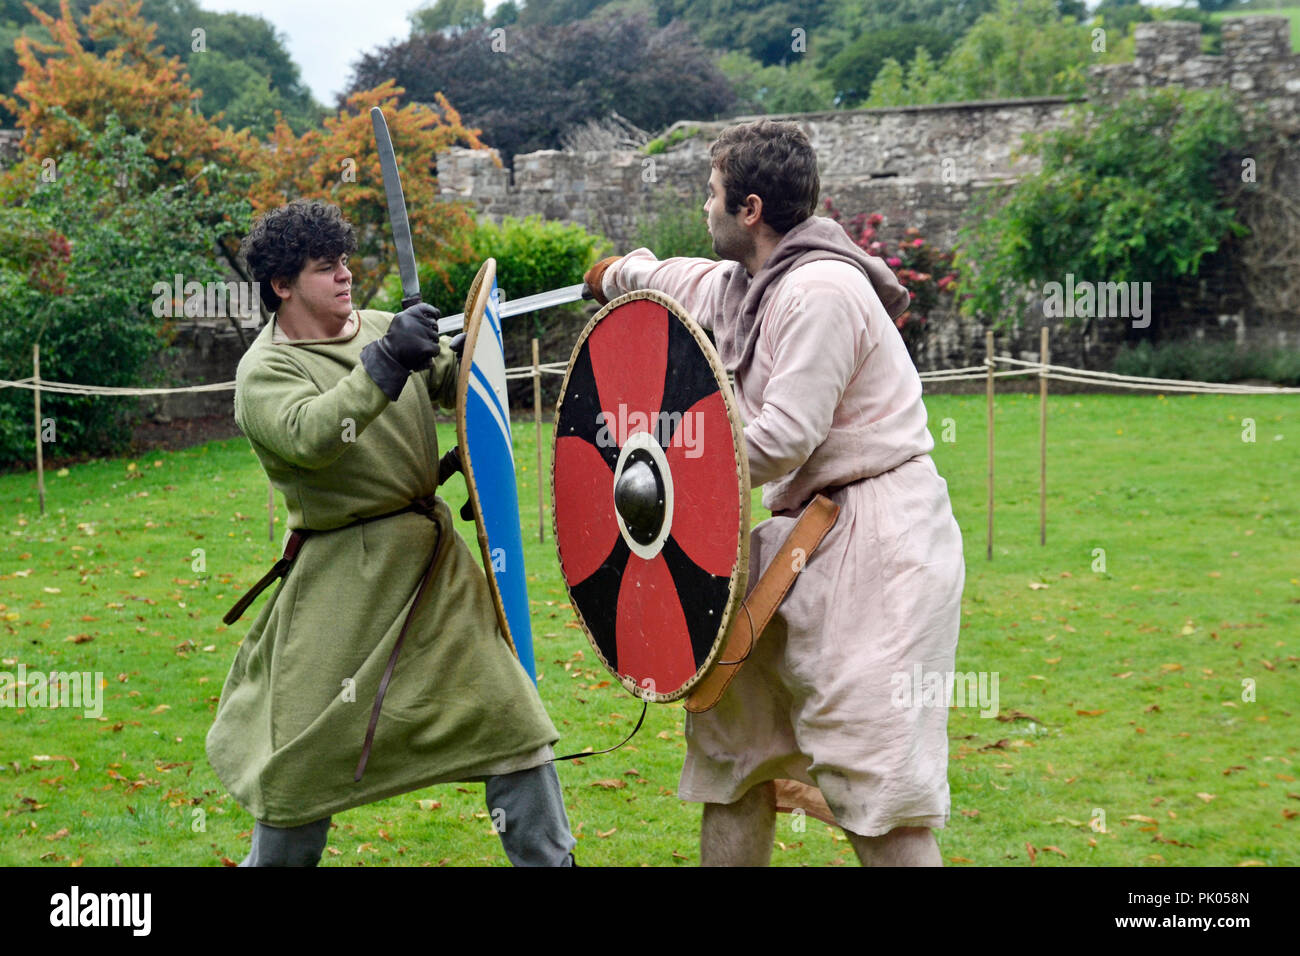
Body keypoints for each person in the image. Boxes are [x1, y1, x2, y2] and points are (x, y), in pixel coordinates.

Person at [584, 119, 965, 866]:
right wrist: (613, 274)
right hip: (794, 543)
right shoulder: (744, 284)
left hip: (880, 539)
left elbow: (780, 438)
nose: (705, 206)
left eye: (712, 193)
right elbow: (669, 278)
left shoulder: (822, 291)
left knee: (873, 778)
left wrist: (654, 476)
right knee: (733, 753)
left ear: (749, 208)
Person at [207, 199, 575, 866]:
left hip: (437, 571)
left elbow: (455, 388)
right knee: (301, 759)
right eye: (325, 269)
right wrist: (383, 362)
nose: (345, 276)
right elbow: (312, 436)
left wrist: (468, 394)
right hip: (342, 581)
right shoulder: (264, 371)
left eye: (345, 262)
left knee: (511, 722)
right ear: (282, 286)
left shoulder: (380, 327)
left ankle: (551, 860)